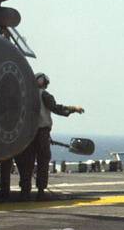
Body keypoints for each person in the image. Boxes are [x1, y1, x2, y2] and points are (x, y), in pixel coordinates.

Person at [18, 72, 85, 200]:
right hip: (42, 132)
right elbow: (56, 108)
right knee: (43, 160)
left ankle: (25, 191)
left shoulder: (25, 95)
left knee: (27, 162)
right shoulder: (44, 95)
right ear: (45, 83)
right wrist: (74, 109)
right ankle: (41, 191)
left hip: (27, 134)